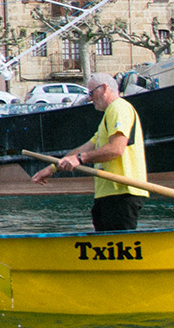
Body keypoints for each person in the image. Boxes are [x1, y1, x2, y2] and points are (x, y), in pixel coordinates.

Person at [31, 71, 148, 231]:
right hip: (108, 194)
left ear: (104, 88)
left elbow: (117, 148)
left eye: (91, 92)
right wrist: (52, 168)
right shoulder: (107, 117)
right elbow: (87, 147)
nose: (90, 98)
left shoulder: (119, 108)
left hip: (122, 191)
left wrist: (80, 159)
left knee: (117, 246)